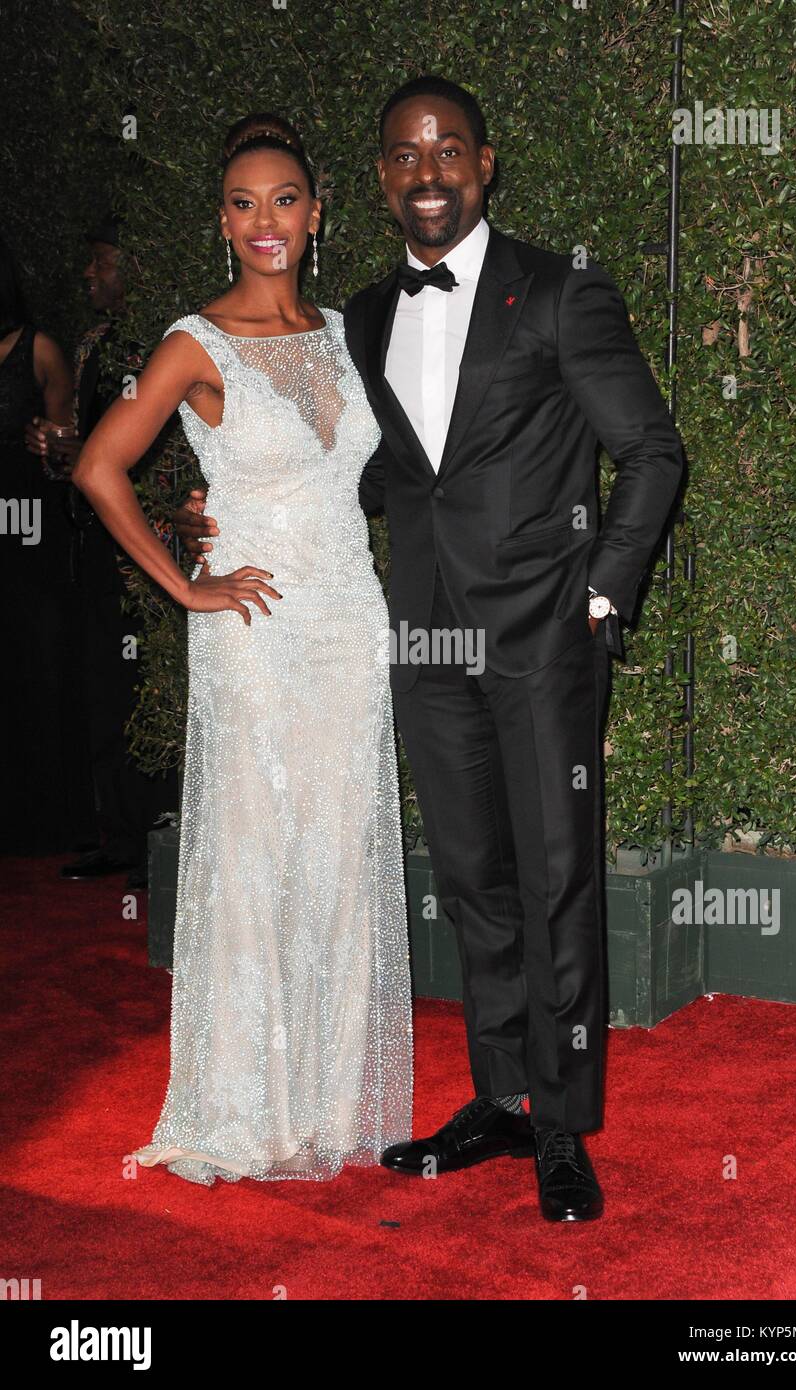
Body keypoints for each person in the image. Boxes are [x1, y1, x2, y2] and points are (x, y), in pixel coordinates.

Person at [175, 78, 685, 1220]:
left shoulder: (559, 292)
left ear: (485, 163)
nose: (429, 172)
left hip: (542, 640)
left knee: (555, 878)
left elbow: (650, 449)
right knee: (471, 880)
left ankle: (561, 1125)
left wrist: (600, 596)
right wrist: (220, 519)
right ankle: (500, 1097)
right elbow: (331, 463)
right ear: (379, 181)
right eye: (405, 156)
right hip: (416, 637)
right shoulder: (358, 315)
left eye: (448, 150)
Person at [72, 115, 413, 1185]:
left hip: (350, 622)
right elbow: (97, 466)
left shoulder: (348, 333)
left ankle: (323, 1100)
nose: (263, 221)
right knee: (257, 854)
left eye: (283, 200)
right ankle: (245, 1105)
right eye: (240, 202)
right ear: (221, 220)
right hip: (254, 632)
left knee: (341, 850)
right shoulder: (193, 340)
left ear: (316, 214)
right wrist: (186, 584)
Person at [26, 215, 174, 887]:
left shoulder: (162, 344)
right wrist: (56, 450)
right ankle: (116, 837)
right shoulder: (89, 344)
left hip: (142, 549)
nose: (89, 275)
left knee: (141, 685)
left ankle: (156, 842)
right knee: (100, 689)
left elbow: (162, 451)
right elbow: (84, 449)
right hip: (90, 544)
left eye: (101, 263)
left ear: (134, 267)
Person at [0, 234, 91, 853]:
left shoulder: (40, 349)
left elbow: (74, 447)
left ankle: (43, 820)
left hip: (26, 523)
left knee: (33, 658)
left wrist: (55, 443)